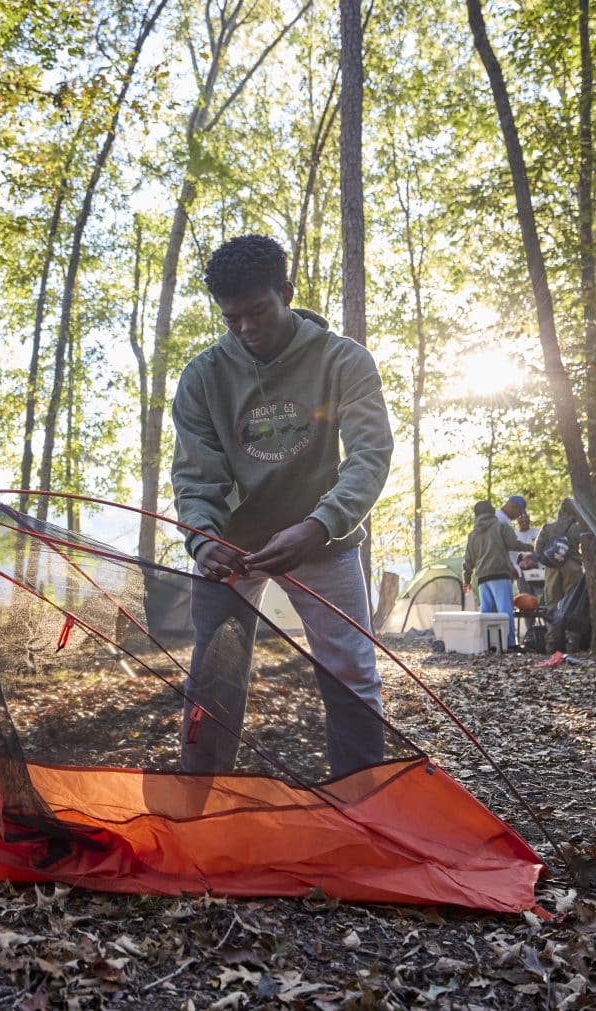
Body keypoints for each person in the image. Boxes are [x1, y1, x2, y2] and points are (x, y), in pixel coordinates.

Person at [170, 234, 393, 778]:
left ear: (286, 293)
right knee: (212, 674)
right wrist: (202, 539)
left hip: (323, 541)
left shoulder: (343, 360)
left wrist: (320, 526)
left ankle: (363, 804)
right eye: (231, 318)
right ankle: (202, 800)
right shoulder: (203, 378)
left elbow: (369, 457)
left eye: (258, 311)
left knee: (351, 672)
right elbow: (196, 479)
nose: (246, 328)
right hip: (233, 547)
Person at [462, 500, 528, 648]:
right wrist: (531, 547)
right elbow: (513, 544)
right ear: (491, 512)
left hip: (482, 579)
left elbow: (468, 561)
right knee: (505, 612)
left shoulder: (472, 535)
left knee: (486, 615)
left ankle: (488, 644)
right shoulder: (501, 526)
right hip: (499, 575)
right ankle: (509, 644)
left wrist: (466, 580)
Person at [534, 498, 585, 654]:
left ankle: (552, 645)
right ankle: (572, 643)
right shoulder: (578, 529)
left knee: (552, 606)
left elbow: (538, 551)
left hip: (552, 570)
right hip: (573, 570)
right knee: (573, 605)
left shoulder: (548, 528)